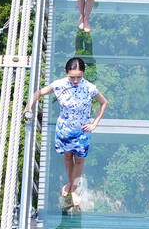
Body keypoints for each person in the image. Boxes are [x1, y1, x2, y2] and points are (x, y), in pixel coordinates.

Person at [26, 57, 108, 206]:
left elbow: (104, 103)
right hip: (65, 129)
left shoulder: (90, 88)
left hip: (82, 130)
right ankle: (70, 183)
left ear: (83, 73)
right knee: (68, 157)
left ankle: (74, 188)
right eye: (72, 77)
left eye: (79, 77)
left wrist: (95, 123)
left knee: (80, 160)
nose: (75, 80)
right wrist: (28, 106)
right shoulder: (59, 85)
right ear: (66, 72)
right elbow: (38, 93)